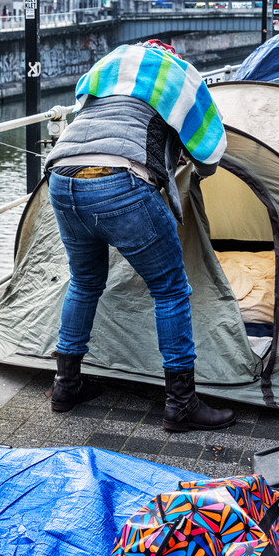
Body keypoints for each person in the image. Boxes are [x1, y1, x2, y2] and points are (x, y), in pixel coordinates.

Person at [44, 40, 236, 432]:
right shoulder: (179, 77)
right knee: (169, 289)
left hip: (61, 176)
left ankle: (65, 386)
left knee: (84, 281)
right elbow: (209, 157)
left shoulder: (111, 66)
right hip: (119, 179)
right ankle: (181, 404)